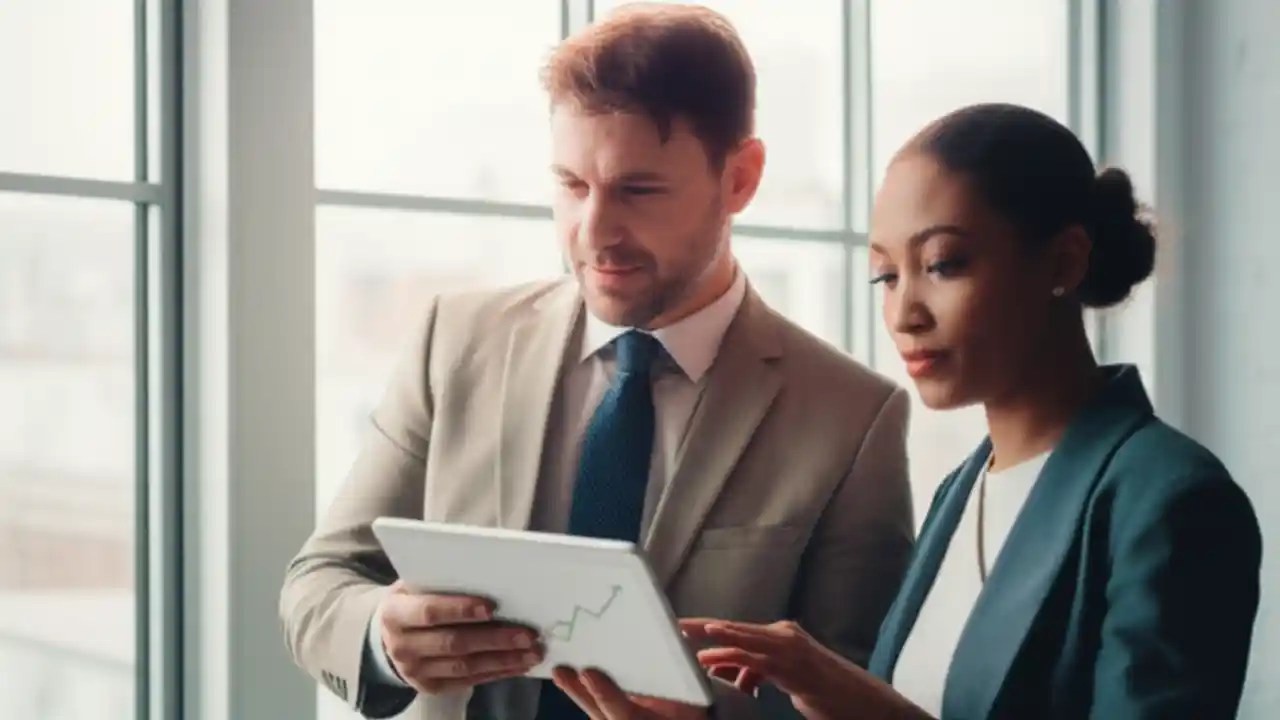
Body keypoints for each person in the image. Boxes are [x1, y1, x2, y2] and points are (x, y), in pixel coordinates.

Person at [279, 5, 915, 719]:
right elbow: (320, 581)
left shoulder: (851, 419)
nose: (595, 233)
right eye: (572, 186)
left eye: (638, 191)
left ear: (740, 178)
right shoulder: (454, 342)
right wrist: (380, 637)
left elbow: (858, 691)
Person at [555, 103, 1263, 719]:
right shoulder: (964, 486)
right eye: (886, 275)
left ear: (1065, 262)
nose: (905, 313)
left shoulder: (1168, 499)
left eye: (945, 263)